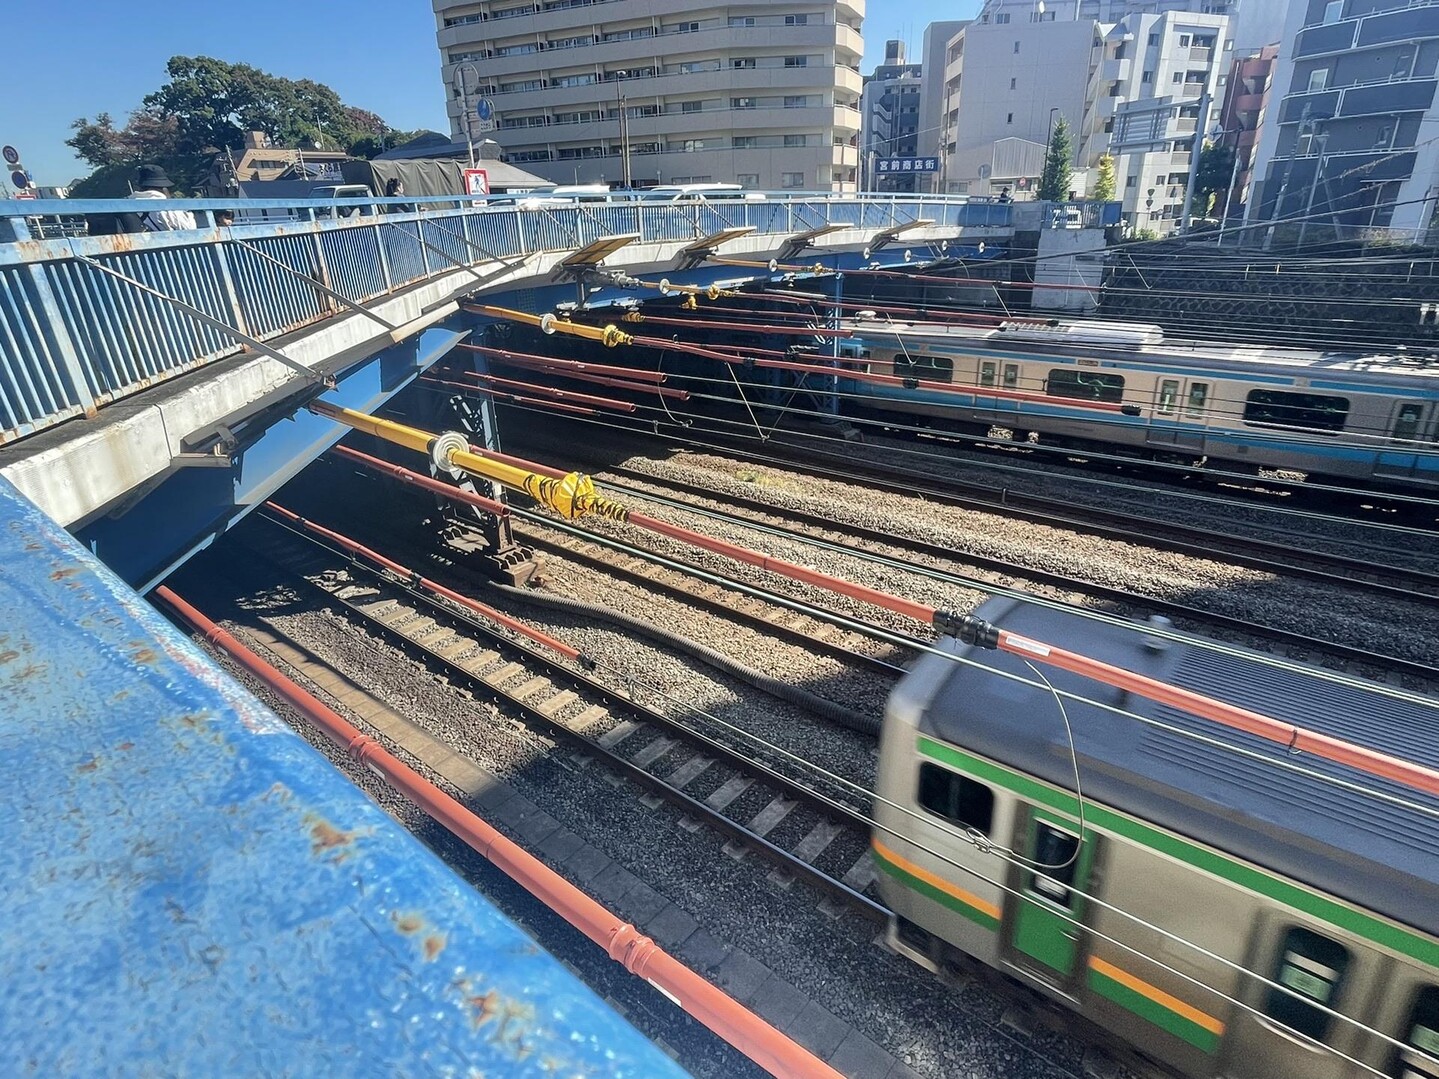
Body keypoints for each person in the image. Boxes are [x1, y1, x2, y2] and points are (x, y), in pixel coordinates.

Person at [130, 164, 196, 231]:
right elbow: (189, 229)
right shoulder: (166, 207)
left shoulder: (129, 204)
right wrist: (189, 214)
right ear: (164, 188)